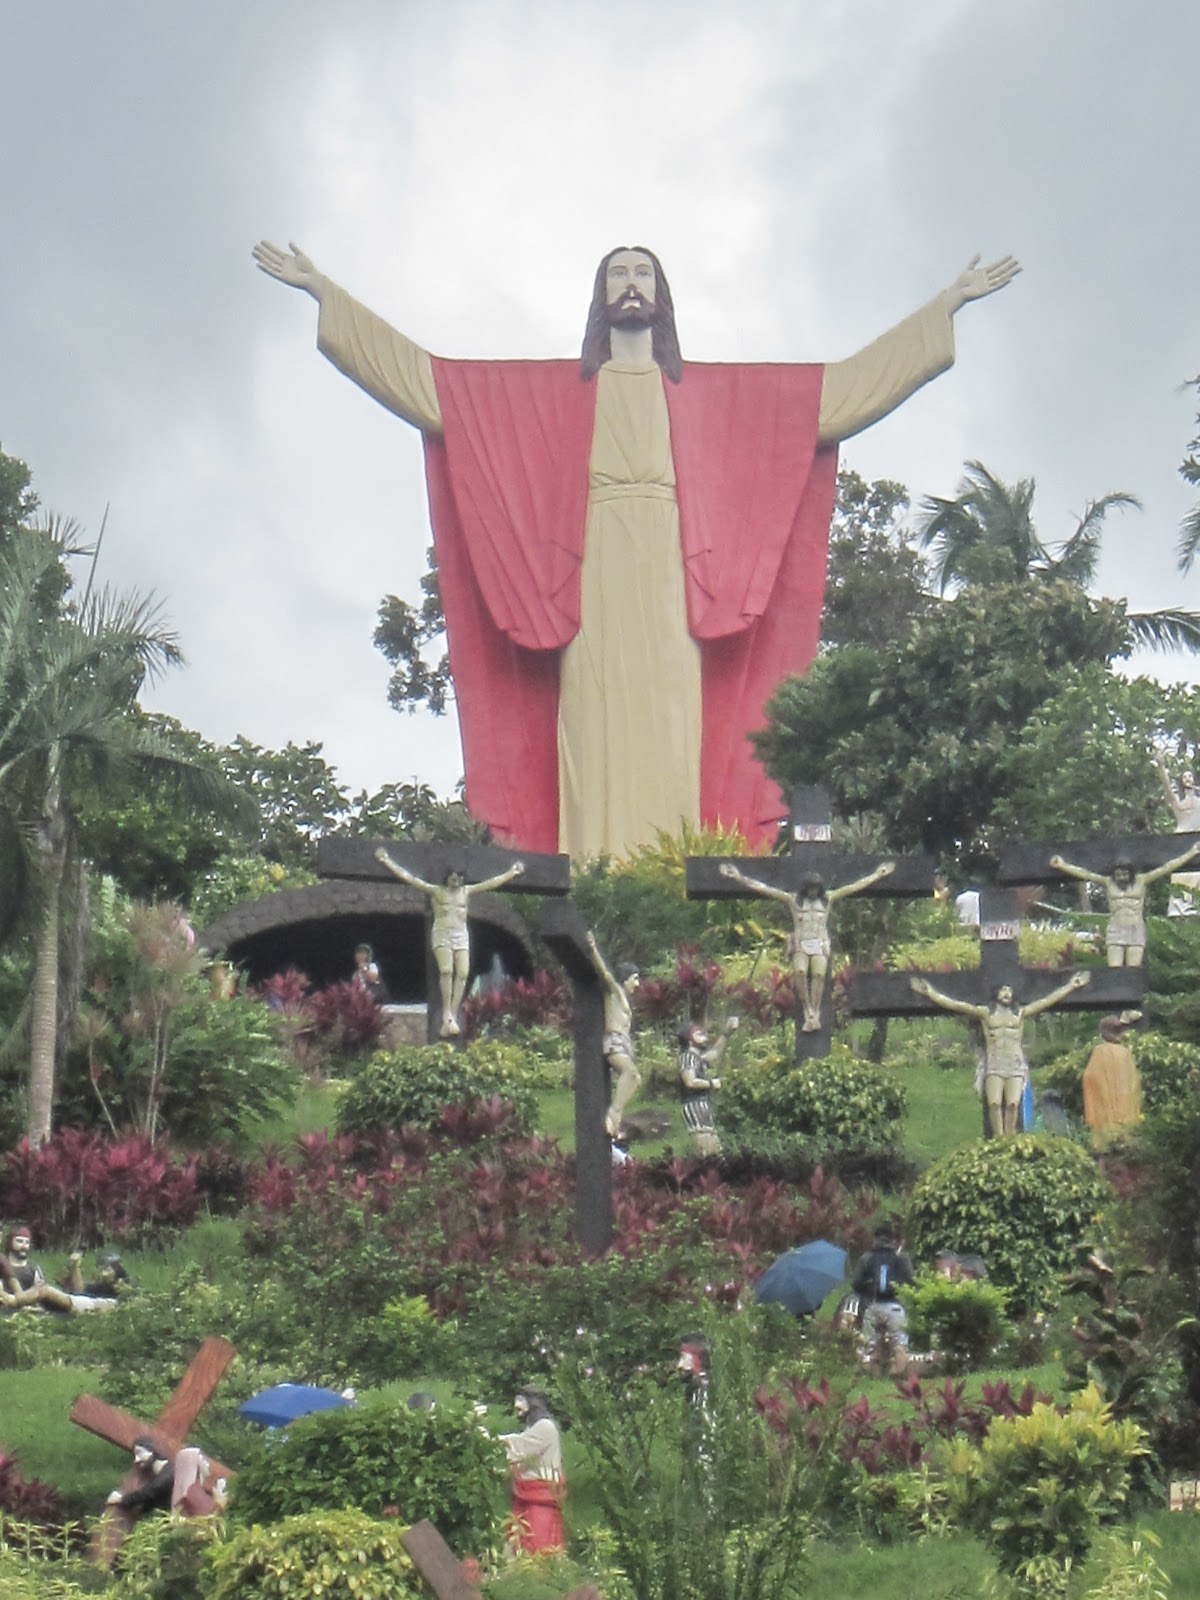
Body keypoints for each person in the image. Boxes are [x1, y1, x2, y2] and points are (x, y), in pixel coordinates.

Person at [253, 238, 1019, 859]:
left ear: (661, 297)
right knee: (588, 722)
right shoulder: (551, 396)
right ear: (599, 295)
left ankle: (669, 871)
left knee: (676, 724)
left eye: (641, 273)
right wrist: (329, 296)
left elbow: (842, 394)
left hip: (672, 578)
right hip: (587, 574)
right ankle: (593, 876)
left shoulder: (717, 397)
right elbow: (432, 386)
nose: (629, 284)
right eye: (616, 273)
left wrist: (942, 308)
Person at [719, 860, 894, 1030]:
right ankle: (807, 1009)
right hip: (801, 943)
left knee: (818, 975)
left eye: (816, 888)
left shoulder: (828, 899)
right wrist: (739, 877)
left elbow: (853, 887)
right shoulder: (793, 900)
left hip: (819, 943)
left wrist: (877, 875)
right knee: (800, 973)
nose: (813, 891)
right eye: (810, 888)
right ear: (806, 888)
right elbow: (765, 889)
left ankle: (814, 1013)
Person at [909, 972, 1091, 1136]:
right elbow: (957, 1005)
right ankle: (998, 1138)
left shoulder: (1019, 1014)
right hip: (995, 1063)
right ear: (996, 994)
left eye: (1009, 991)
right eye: (1003, 991)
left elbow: (1047, 1001)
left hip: (1015, 1063)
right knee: (994, 1104)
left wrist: (1071, 986)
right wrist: (930, 993)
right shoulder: (986, 1014)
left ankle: (1009, 1139)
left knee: (1013, 1104)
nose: (1007, 994)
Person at [374, 850, 524, 1035]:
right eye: (452, 879)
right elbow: (411, 879)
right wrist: (388, 861)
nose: (455, 883)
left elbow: (489, 884)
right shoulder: (437, 891)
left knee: (463, 972)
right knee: (446, 970)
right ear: (447, 878)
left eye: (458, 880)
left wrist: (512, 873)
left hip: (461, 935)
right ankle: (446, 1012)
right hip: (442, 934)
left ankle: (452, 1013)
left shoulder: (466, 892)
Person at [1049, 845, 1200, 965]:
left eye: (1125, 874)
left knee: (1133, 971)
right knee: (1115, 970)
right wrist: (1063, 866)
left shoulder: (1142, 880)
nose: (1121, 877)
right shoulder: (1108, 882)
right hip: (1116, 928)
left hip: (1135, 928)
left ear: (1131, 873)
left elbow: (1167, 867)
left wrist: (1191, 853)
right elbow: (1086, 874)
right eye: (1118, 874)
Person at [584, 932, 641, 1138]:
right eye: (635, 979)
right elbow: (605, 974)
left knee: (635, 1079)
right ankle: (614, 1114)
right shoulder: (615, 991)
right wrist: (593, 949)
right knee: (631, 1073)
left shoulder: (624, 999)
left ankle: (615, 1117)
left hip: (623, 1043)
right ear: (625, 979)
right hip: (614, 1040)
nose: (637, 984)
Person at [498, 1386, 565, 1555]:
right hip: (528, 1494)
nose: (516, 1405)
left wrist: (491, 1440)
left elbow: (521, 1447)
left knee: (537, 1545)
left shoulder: (545, 1427)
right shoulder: (535, 1427)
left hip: (540, 1496)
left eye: (521, 1400)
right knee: (519, 1542)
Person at [851, 1229, 915, 1371]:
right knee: (900, 1345)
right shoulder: (901, 1257)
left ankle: (874, 1377)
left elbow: (855, 1284)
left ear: (875, 1239)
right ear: (893, 1240)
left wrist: (867, 1289)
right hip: (895, 1306)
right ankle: (900, 1377)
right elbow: (912, 1281)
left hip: (873, 1305)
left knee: (872, 1344)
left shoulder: (866, 1258)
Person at [1082, 1011, 1144, 1149]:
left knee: (1106, 1145)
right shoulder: (1125, 1053)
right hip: (1126, 1112)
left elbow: (1090, 1078)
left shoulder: (1100, 1052)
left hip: (1105, 1113)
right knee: (1125, 1142)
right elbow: (1135, 1082)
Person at [677, 1018, 738, 1156]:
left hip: (703, 1105)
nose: (704, 1036)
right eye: (698, 1034)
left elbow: (714, 1053)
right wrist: (711, 1083)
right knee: (705, 1145)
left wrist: (726, 1033)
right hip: (694, 1106)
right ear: (689, 1039)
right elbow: (690, 1081)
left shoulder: (697, 1058)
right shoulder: (687, 1057)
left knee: (713, 1147)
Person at [1153, 751, 1200, 915]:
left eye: (1190, 776)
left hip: (1197, 847)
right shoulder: (1178, 804)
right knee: (1181, 886)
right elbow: (1167, 787)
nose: (1188, 779)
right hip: (1181, 846)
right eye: (1184, 777)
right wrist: (1161, 765)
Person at [106, 1437, 175, 1518]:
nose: (136, 1460)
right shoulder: (161, 1477)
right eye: (135, 1456)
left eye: (140, 1453)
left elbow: (154, 1489)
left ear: (152, 1450)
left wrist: (122, 1499)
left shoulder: (171, 1471)